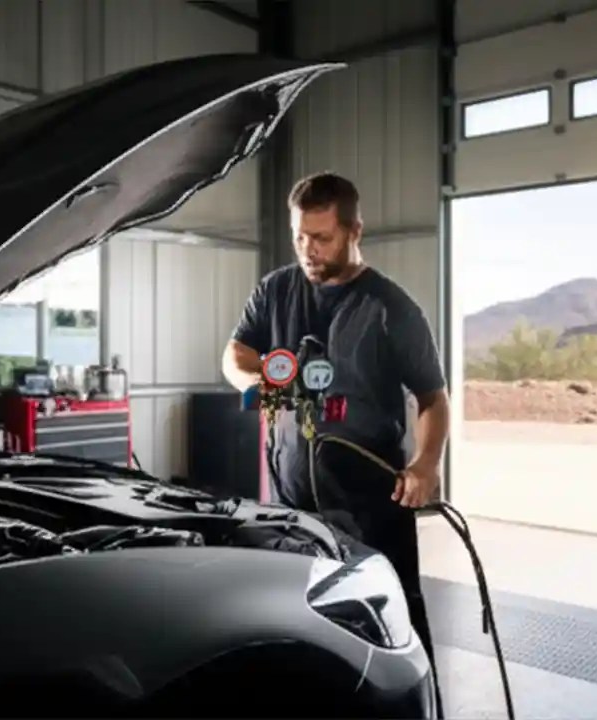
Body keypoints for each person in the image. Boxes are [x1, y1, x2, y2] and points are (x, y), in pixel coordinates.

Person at [221, 171, 450, 682]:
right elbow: (235, 353)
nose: (309, 249)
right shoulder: (276, 290)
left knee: (393, 623)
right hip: (291, 501)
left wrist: (425, 464)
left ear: (354, 232)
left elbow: (434, 398)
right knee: (300, 624)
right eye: (300, 236)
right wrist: (255, 383)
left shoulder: (392, 308)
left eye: (322, 238)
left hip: (372, 507)